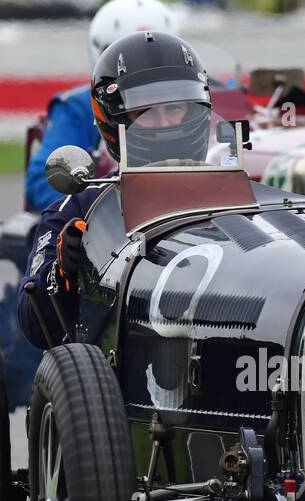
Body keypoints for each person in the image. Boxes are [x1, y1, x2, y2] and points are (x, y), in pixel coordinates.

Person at [17, 31, 212, 350]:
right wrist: (64, 270)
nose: (163, 122)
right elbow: (31, 323)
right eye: (145, 111)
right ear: (113, 118)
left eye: (174, 108)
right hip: (112, 382)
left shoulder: (239, 199)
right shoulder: (77, 210)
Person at [23, 0, 180, 210]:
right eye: (128, 57)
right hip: (118, 221)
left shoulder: (204, 96)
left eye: (155, 54)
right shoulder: (79, 106)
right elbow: (46, 182)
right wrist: (95, 208)